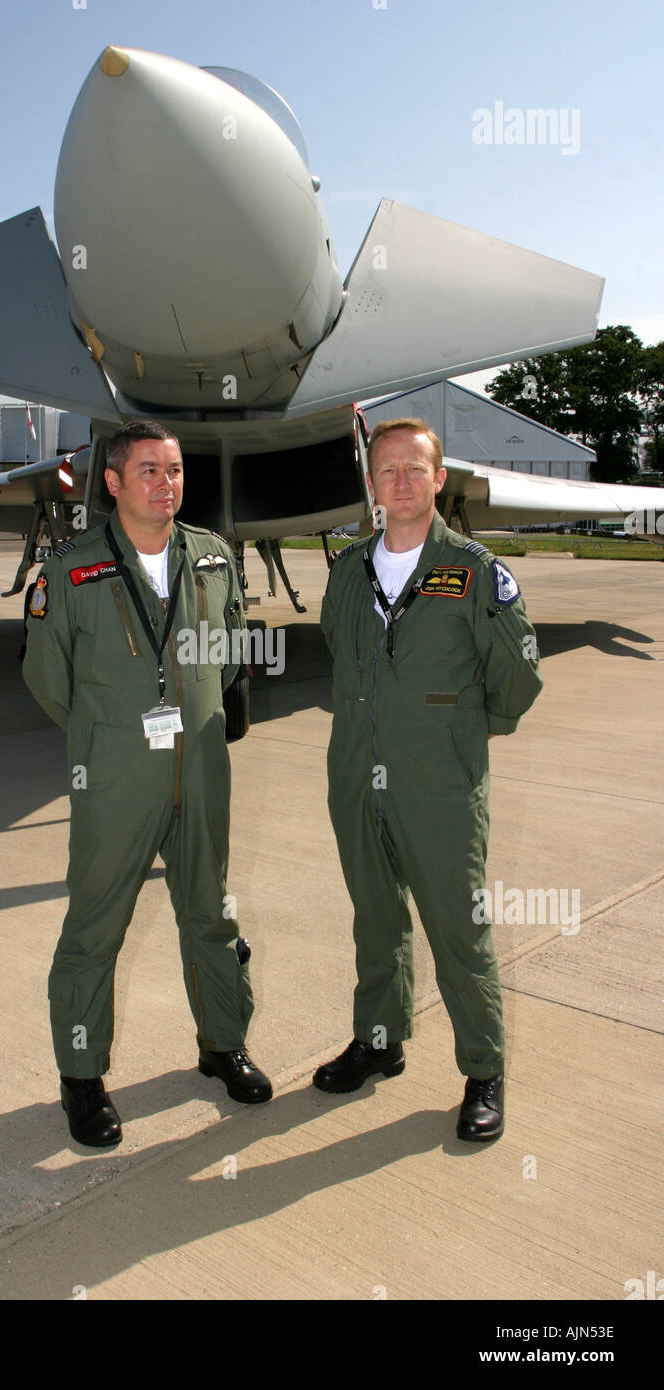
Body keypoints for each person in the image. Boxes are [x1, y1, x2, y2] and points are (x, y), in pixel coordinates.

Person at [22, 420, 271, 1147]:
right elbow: (48, 679)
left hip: (199, 768)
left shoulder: (214, 558)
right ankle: (82, 1078)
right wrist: (108, 735)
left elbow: (228, 656)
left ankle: (223, 1046)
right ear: (113, 481)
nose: (168, 484)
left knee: (212, 913)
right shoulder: (70, 570)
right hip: (116, 775)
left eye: (176, 470)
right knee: (95, 928)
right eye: (150, 471)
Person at [315, 417, 543, 1141]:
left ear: (440, 479)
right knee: (375, 919)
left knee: (458, 928)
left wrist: (461, 737)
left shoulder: (476, 572)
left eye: (417, 469)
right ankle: (379, 1043)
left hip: (439, 786)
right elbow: (340, 658)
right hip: (356, 777)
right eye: (388, 470)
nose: (402, 482)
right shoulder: (347, 572)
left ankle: (483, 1068)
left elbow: (517, 678)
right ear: (372, 482)